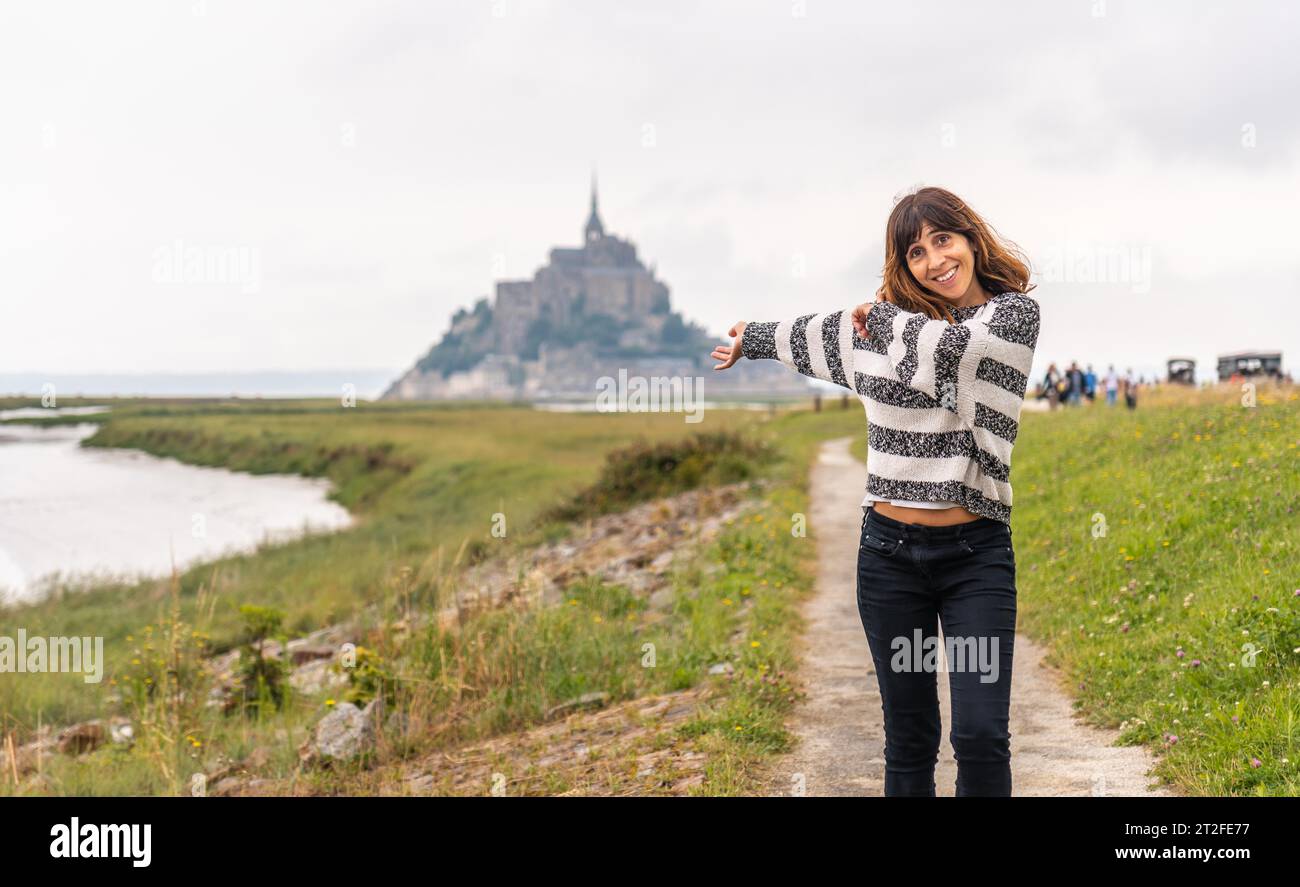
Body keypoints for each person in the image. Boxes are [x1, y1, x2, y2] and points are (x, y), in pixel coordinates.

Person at [711, 185, 1041, 796]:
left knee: (980, 734)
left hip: (976, 557)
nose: (935, 260)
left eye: (944, 240)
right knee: (910, 736)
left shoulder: (1011, 316)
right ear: (903, 264)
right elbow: (817, 337)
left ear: (970, 238)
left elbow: (954, 359)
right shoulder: (878, 329)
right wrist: (751, 337)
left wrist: (884, 318)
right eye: (915, 252)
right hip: (888, 558)